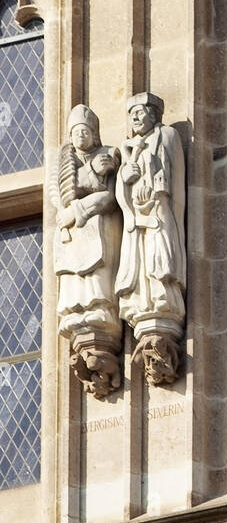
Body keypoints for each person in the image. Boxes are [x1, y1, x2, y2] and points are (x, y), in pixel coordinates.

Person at [51, 105, 122, 393]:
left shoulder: (104, 159)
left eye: (85, 131)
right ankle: (74, 312)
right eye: (75, 132)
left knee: (95, 274)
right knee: (73, 277)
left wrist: (79, 207)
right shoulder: (62, 163)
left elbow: (109, 196)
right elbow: (56, 194)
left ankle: (99, 308)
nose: (80, 136)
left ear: (94, 135)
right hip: (71, 232)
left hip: (97, 229)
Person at [115, 92, 186, 377]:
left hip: (159, 207)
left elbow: (174, 174)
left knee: (159, 253)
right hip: (137, 214)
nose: (135, 117)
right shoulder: (129, 147)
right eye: (131, 113)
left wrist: (161, 192)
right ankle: (142, 303)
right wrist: (125, 177)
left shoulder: (166, 136)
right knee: (140, 254)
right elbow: (122, 188)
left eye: (141, 112)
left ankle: (162, 299)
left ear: (153, 115)